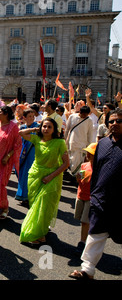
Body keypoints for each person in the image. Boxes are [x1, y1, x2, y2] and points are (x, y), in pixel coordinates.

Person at [69, 108, 122, 280]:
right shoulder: (103, 144)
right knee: (95, 234)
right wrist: (94, 193)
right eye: (111, 121)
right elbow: (96, 170)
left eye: (119, 121)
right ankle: (87, 270)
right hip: (101, 199)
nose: (114, 124)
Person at [19, 118, 69, 245]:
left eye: (49, 127)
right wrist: (36, 129)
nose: (46, 129)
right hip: (35, 175)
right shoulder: (36, 139)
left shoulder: (59, 143)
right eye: (44, 126)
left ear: (54, 129)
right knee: (35, 205)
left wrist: (51, 176)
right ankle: (41, 229)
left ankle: (38, 233)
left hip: (52, 177)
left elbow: (66, 164)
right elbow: (21, 133)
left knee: (44, 205)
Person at [73, 143, 96, 254]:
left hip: (90, 198)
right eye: (87, 152)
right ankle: (86, 240)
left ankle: (83, 242)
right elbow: (80, 181)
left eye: (91, 153)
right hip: (80, 195)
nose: (88, 155)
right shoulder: (84, 165)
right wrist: (78, 178)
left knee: (85, 221)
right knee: (81, 220)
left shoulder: (99, 168)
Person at [15, 108, 39, 206]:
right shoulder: (22, 128)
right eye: (29, 116)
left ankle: (31, 197)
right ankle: (23, 196)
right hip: (22, 154)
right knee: (22, 175)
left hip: (33, 153)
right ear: (24, 118)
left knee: (31, 175)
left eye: (33, 116)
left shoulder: (37, 127)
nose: (32, 118)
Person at [64, 105, 94, 176]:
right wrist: (65, 140)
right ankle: (72, 175)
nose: (84, 116)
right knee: (71, 161)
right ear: (80, 112)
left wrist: (88, 147)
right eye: (83, 114)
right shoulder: (72, 117)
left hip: (82, 146)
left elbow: (90, 134)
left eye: (86, 115)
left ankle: (77, 178)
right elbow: (67, 129)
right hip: (71, 143)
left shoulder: (89, 121)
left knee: (79, 163)